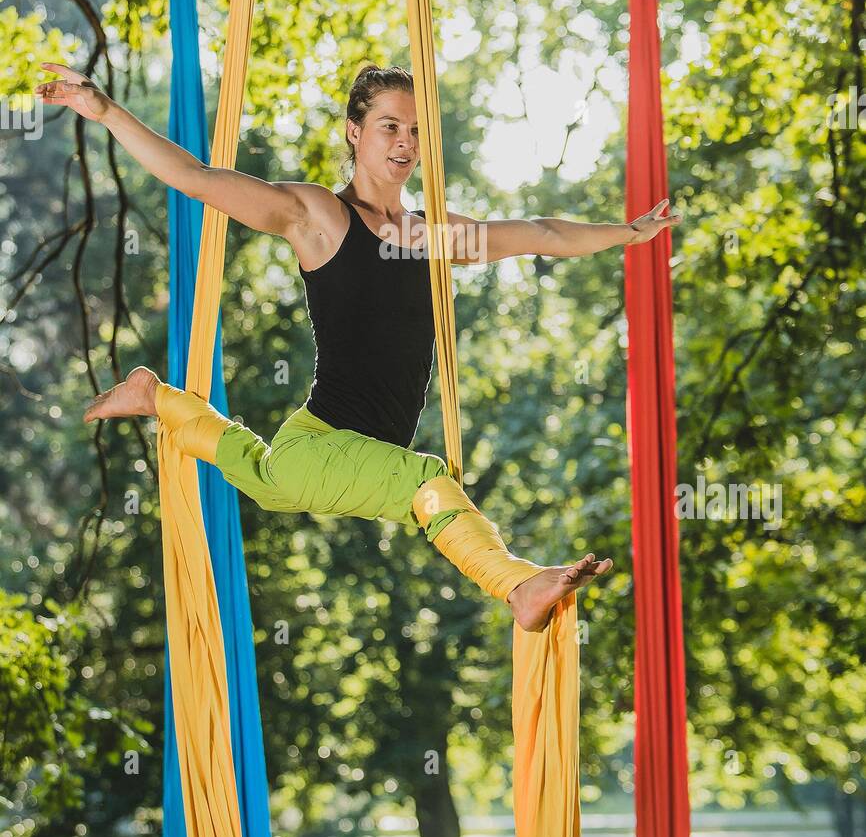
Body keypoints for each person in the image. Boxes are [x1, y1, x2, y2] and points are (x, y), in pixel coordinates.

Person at [35, 61, 681, 631]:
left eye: (416, 130)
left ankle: (156, 396)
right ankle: (515, 584)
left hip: (320, 451)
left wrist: (629, 233)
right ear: (354, 131)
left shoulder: (431, 237)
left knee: (262, 473)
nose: (405, 143)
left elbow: (539, 233)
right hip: (321, 445)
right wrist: (103, 109)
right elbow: (196, 178)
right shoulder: (319, 217)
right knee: (426, 480)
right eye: (389, 127)